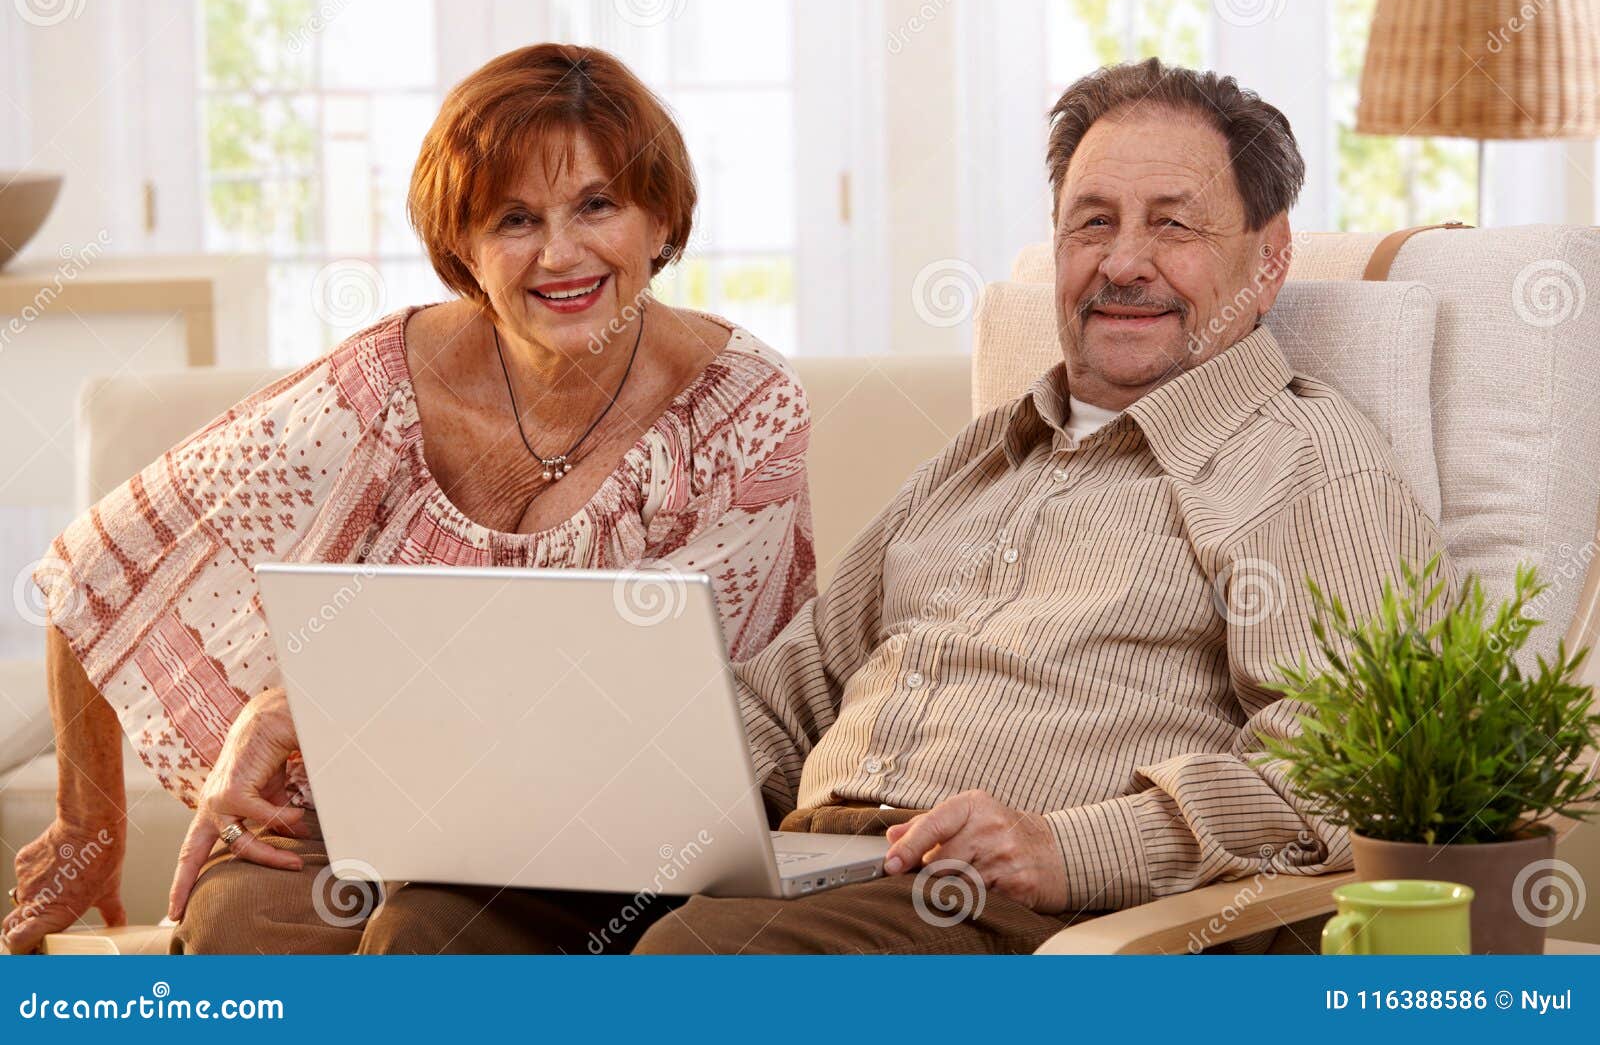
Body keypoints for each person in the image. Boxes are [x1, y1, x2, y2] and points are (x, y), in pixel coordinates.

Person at [319, 57, 1451, 955]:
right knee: (440, 924)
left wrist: (1069, 843)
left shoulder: (1305, 460)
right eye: (1091, 222)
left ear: (1268, 259)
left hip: (1025, 909)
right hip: (812, 865)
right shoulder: (985, 451)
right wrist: (581, 788)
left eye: (1173, 223)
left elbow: (1349, 771)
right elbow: (794, 688)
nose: (1124, 261)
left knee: (705, 962)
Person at [2, 43, 816, 955]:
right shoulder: (382, 384)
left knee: (425, 934)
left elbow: (675, 700)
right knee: (237, 920)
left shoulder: (742, 403)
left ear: (660, 217)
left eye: (598, 203)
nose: (561, 253)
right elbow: (96, 565)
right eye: (514, 219)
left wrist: (303, 705)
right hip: (369, 819)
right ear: (462, 248)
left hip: (608, 842)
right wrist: (87, 828)